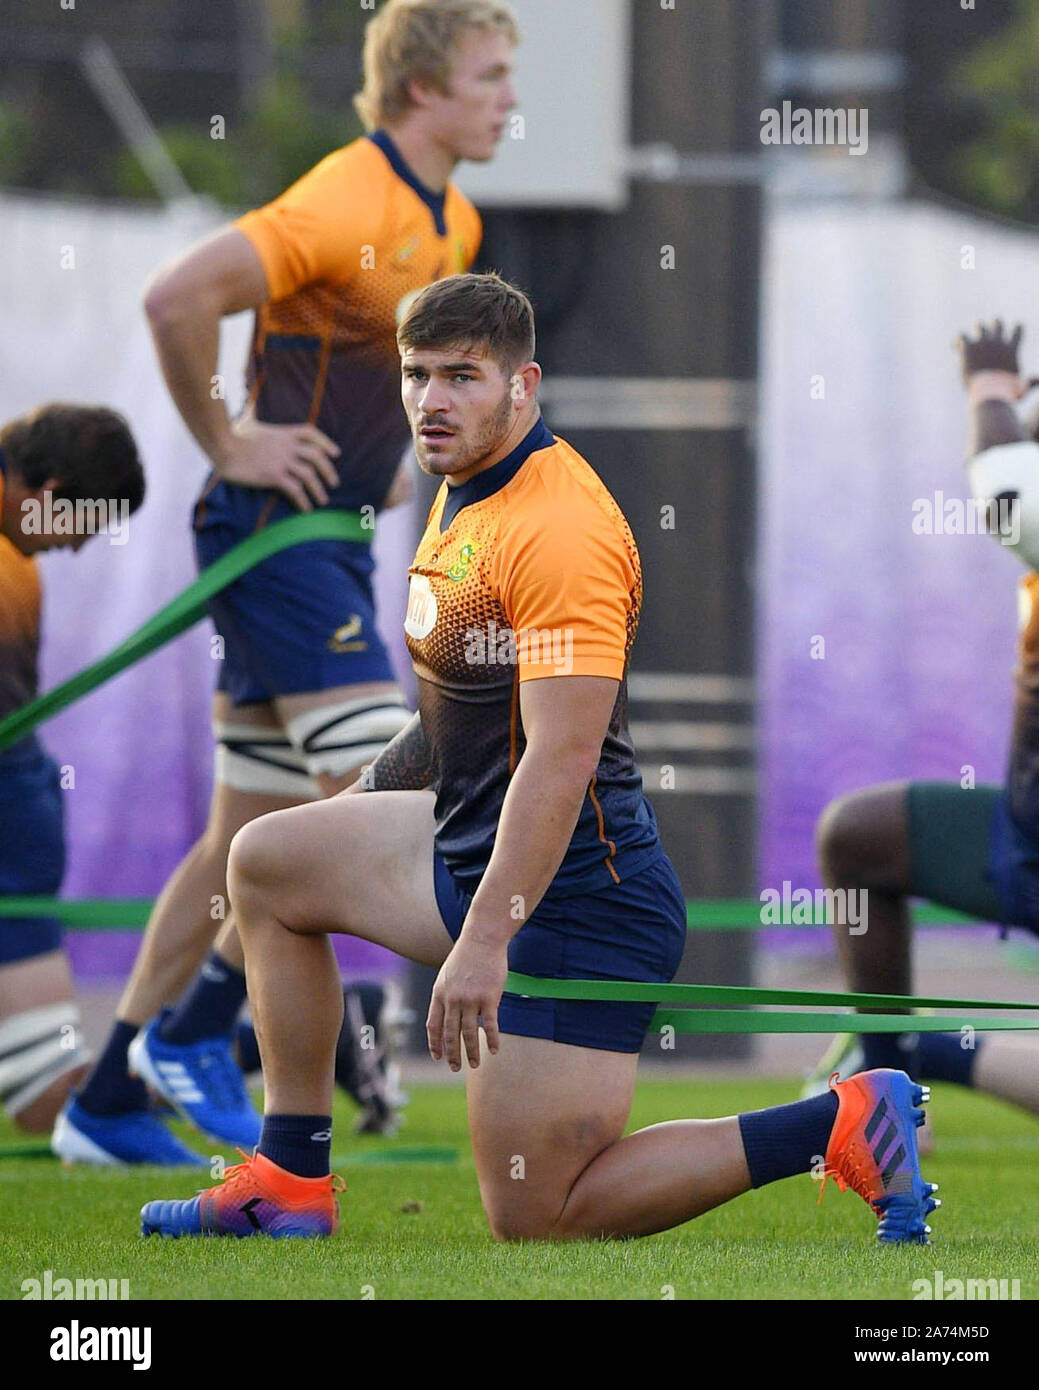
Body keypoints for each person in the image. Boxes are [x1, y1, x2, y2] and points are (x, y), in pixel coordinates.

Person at [140, 273, 939, 1245]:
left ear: (524, 385)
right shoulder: (462, 488)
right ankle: (287, 1185)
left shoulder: (559, 530)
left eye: (462, 377)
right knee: (270, 860)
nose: (432, 401)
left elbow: (558, 762)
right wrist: (352, 805)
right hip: (473, 857)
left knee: (541, 1213)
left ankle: (844, 1120)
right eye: (416, 374)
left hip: (576, 905)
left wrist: (483, 943)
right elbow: (454, 717)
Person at [54, 0, 519, 1165]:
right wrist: (230, 440)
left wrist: (407, 454)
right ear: (422, 90)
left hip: (325, 541)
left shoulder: (451, 214)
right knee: (374, 787)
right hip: (275, 536)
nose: (512, 97)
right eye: (492, 74)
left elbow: (392, 368)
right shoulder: (346, 194)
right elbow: (176, 298)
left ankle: (108, 1095)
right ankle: (202, 1027)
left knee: (241, 838)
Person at [804, 320, 1039, 1118]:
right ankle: (885, 1084)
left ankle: (914, 1058)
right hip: (1026, 838)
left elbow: (1009, 490)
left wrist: (989, 389)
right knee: (857, 839)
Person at [0, 402, 145, 1132]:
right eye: (84, 528)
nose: (81, 550)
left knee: (46, 1097)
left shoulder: (16, 560)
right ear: (52, 494)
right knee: (46, 1101)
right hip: (15, 799)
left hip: (18, 801)